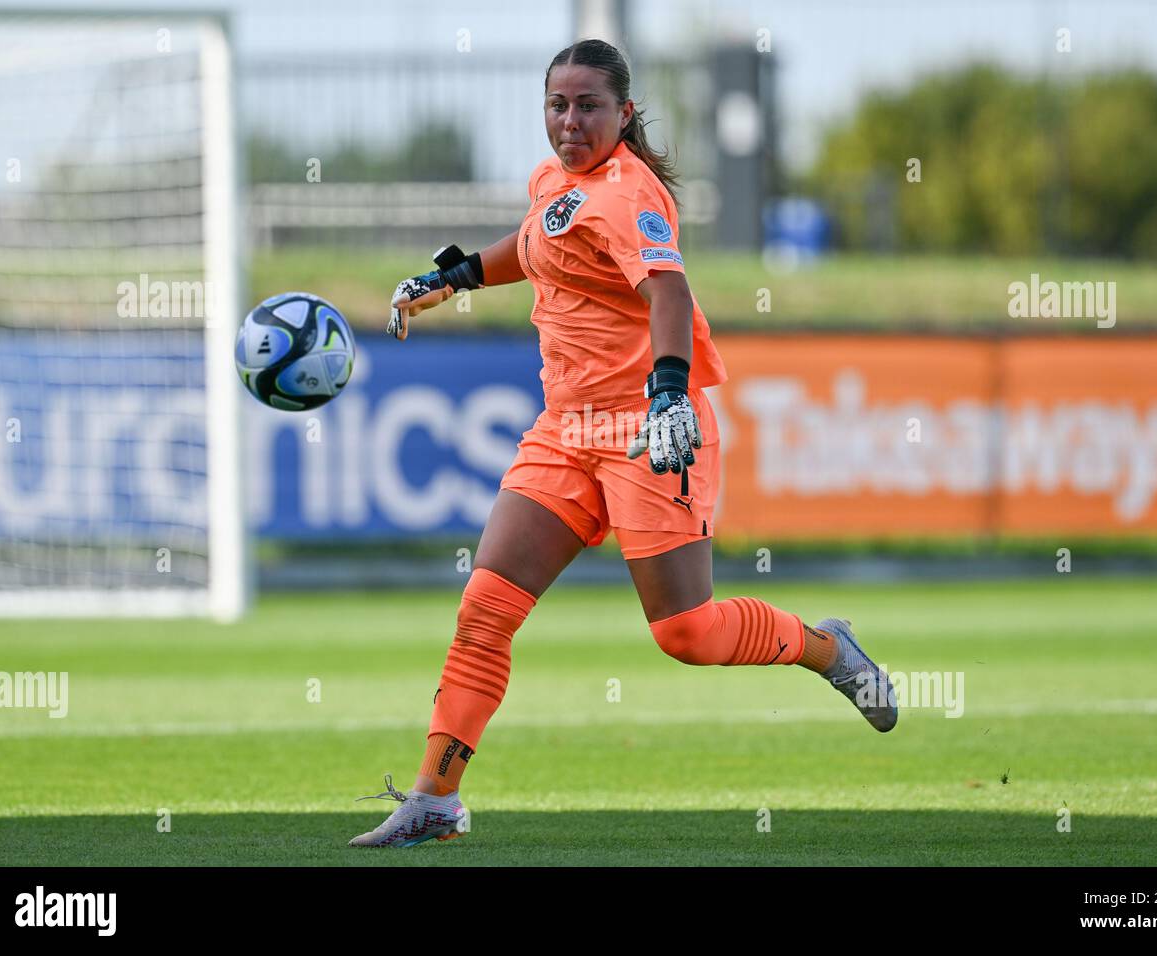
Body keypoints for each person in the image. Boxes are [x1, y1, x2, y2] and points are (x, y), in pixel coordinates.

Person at [349, 38, 896, 849]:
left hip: (646, 428)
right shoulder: (553, 183)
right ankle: (436, 797)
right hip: (565, 431)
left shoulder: (629, 191)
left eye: (588, 106)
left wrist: (669, 391)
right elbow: (536, 247)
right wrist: (455, 276)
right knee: (484, 611)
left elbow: (669, 290)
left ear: (624, 114)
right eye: (557, 105)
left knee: (686, 633)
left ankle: (825, 648)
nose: (570, 121)